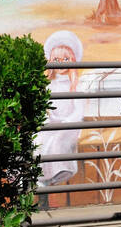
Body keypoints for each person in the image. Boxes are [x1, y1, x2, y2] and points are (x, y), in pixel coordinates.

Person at [35, 30, 85, 189]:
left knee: (57, 141)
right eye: (56, 59)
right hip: (52, 123)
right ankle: (40, 176)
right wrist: (46, 119)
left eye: (65, 59)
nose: (61, 63)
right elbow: (44, 107)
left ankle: (56, 175)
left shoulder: (76, 86)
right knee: (38, 139)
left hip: (70, 124)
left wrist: (67, 122)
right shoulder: (49, 85)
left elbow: (78, 111)